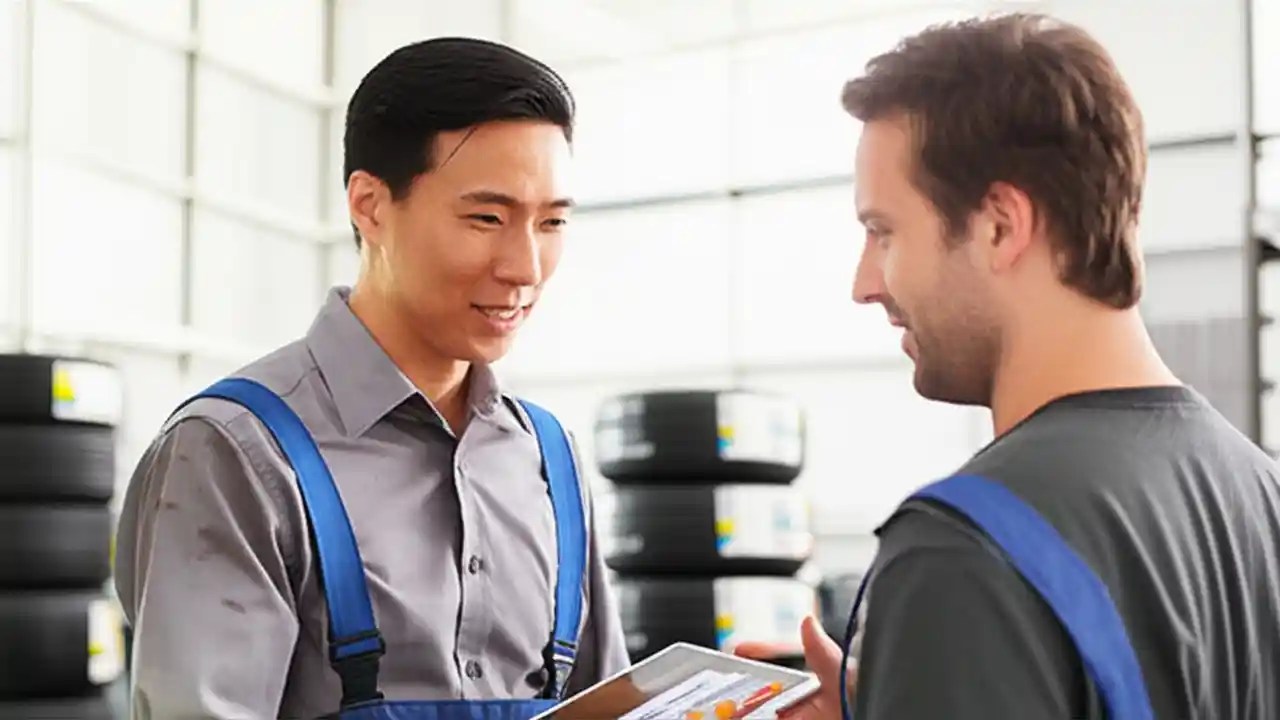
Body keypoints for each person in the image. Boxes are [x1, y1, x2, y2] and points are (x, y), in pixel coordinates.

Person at [769, 12, 1280, 720]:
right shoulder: (1261, 495)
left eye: (883, 232)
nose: (864, 283)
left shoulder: (962, 551)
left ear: (1000, 226)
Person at [113, 37, 630, 719]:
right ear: (370, 205)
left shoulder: (549, 460)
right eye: (487, 218)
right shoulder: (235, 454)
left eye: (552, 222)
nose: (525, 267)